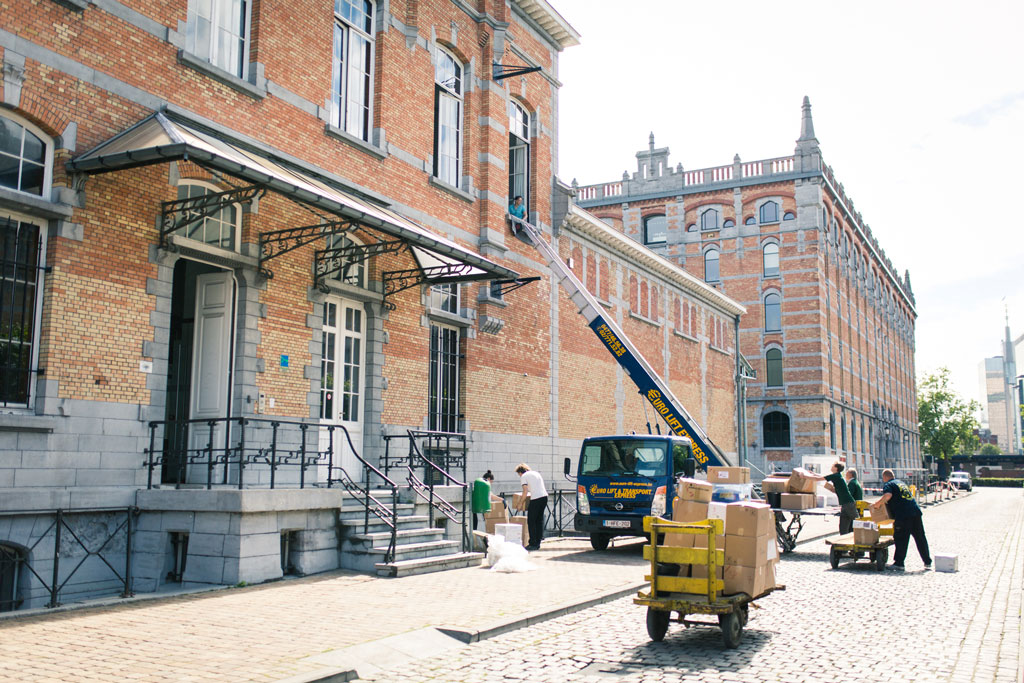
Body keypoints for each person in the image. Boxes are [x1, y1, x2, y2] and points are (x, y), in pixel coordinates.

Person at [871, 468, 932, 571]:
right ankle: (927, 561)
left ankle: (899, 563)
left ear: (885, 477)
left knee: (901, 538)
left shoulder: (888, 484)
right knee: (920, 537)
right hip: (915, 512)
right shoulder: (900, 483)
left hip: (903, 514)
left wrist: (877, 505)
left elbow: (887, 495)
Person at [515, 463, 548, 551]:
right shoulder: (536, 473)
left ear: (520, 472)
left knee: (531, 520)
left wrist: (520, 504)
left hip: (536, 499)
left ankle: (532, 543)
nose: (519, 476)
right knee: (539, 520)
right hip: (544, 497)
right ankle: (538, 542)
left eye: (519, 474)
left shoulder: (524, 476)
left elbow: (525, 491)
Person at [823, 461, 858, 534]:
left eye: (847, 473)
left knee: (855, 524)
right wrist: (835, 490)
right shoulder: (851, 481)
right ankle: (844, 541)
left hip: (849, 505)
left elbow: (847, 494)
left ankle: (864, 537)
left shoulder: (851, 483)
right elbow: (843, 492)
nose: (846, 474)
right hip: (846, 505)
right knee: (844, 526)